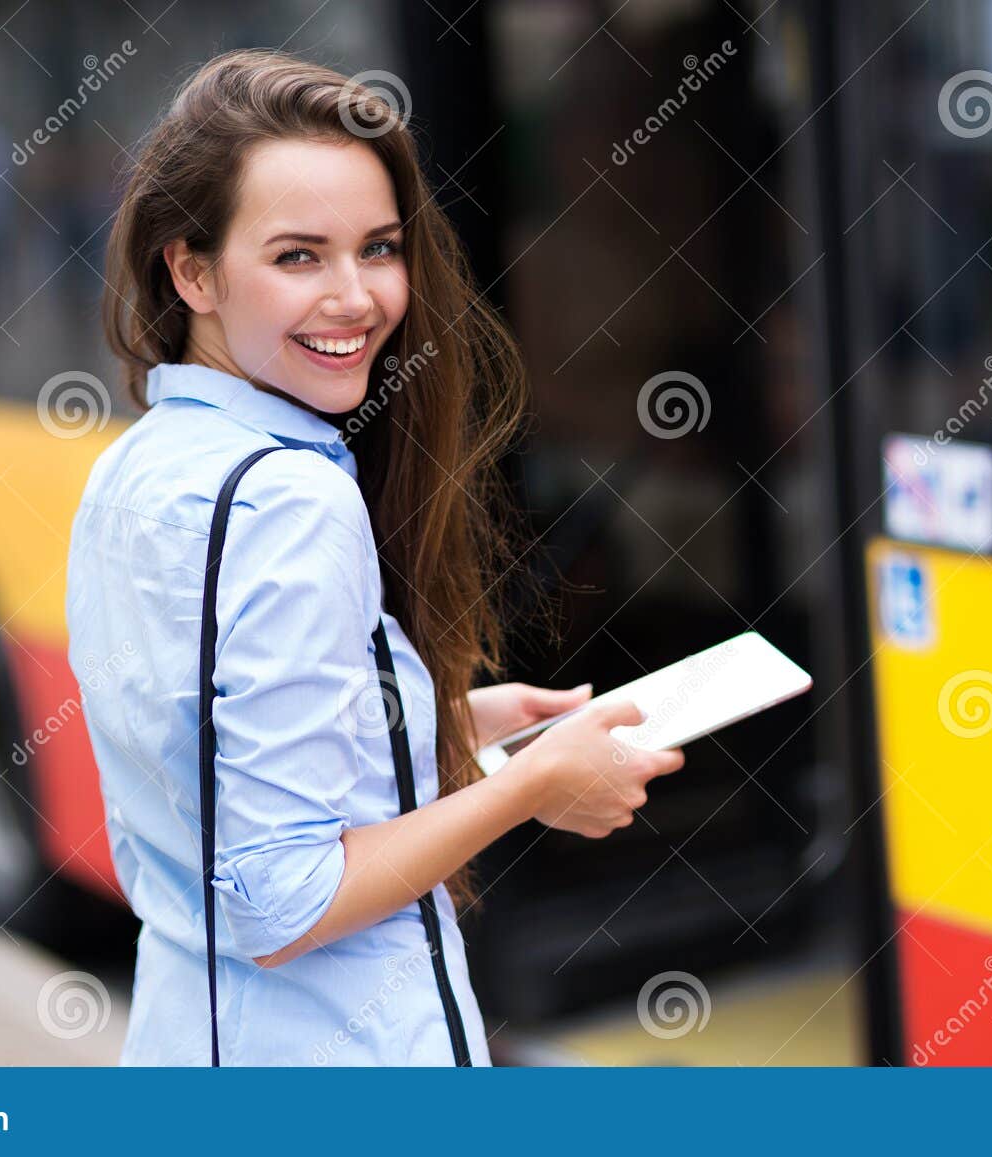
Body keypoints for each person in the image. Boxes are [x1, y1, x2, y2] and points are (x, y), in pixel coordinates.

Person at [64, 48, 685, 1066]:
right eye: (298, 256)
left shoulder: (132, 468)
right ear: (192, 268)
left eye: (379, 248)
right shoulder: (293, 496)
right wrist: (532, 789)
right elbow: (285, 897)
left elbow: (207, 771)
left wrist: (437, 728)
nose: (356, 297)